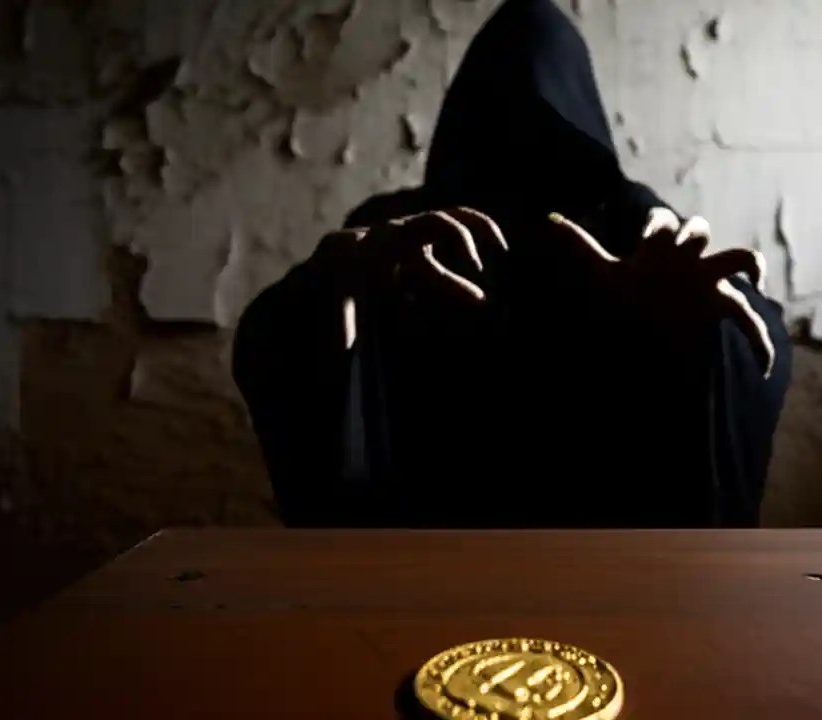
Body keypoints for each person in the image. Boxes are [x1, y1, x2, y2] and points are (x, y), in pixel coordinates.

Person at [233, 0, 792, 528]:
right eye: (500, 129)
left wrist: (683, 337)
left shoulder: (632, 224)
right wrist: (330, 301)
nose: (523, 161)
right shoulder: (400, 234)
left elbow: (748, 329)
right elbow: (280, 338)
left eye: (550, 136)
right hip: (424, 543)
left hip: (604, 540)